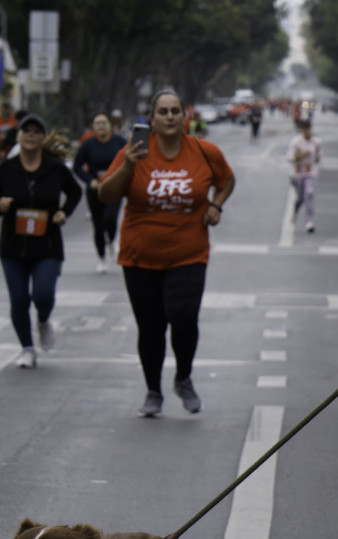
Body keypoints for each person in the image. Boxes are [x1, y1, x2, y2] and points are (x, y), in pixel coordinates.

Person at [98, 87, 235, 417]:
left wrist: (215, 205)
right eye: (163, 112)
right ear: (152, 119)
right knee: (151, 327)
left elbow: (227, 180)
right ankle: (153, 390)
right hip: (139, 257)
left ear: (185, 116)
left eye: (176, 111)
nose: (170, 117)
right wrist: (128, 166)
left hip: (189, 255)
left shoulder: (204, 152)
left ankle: (183, 377)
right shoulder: (135, 151)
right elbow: (105, 194)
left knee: (184, 320)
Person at [0, 113, 82, 368]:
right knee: (19, 300)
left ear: (42, 138)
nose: (31, 136)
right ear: (19, 136)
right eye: (27, 131)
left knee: (43, 294)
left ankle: (44, 320)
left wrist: (64, 212)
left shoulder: (55, 168)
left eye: (37, 132)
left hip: (47, 245)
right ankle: (27, 347)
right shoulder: (7, 168)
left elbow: (75, 191)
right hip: (13, 247)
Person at [73, 111, 128, 273]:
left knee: (110, 219)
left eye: (104, 123)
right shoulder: (88, 145)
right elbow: (77, 166)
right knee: (98, 224)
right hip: (95, 188)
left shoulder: (119, 142)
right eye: (98, 123)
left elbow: (129, 160)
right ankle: (101, 258)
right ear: (93, 127)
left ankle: (111, 240)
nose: (101, 126)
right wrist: (90, 181)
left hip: (114, 186)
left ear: (110, 125)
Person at [287, 119, 321, 233]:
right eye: (304, 128)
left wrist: (315, 157)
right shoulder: (296, 142)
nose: (306, 131)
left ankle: (309, 222)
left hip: (310, 173)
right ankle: (294, 214)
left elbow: (317, 158)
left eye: (308, 128)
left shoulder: (316, 142)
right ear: (301, 129)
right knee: (300, 198)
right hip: (297, 174)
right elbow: (290, 158)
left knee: (309, 194)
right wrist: (302, 155)